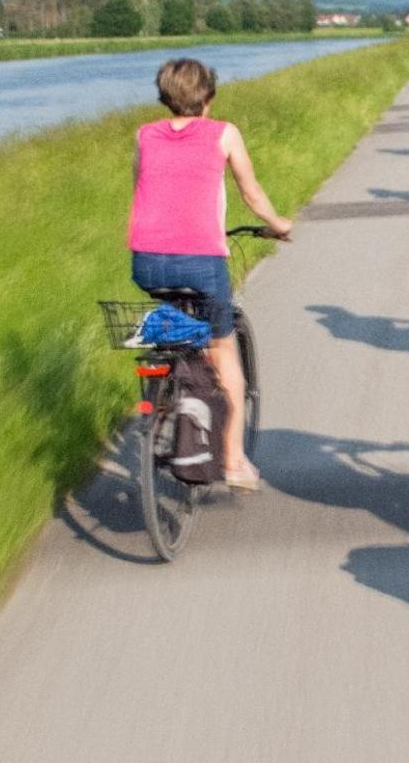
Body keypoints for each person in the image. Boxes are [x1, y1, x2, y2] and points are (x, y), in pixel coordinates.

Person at [127, 58, 294, 492]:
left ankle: (169, 396)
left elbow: (144, 188)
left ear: (164, 97)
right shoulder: (224, 133)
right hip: (201, 262)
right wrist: (278, 224)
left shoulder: (144, 135)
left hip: (145, 261)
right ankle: (234, 461)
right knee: (224, 351)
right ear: (209, 97)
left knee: (179, 327)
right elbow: (251, 193)